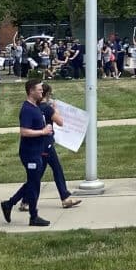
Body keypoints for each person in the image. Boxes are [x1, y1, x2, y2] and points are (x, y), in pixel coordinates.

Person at [1, 78, 53, 227]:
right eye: (39, 89)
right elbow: (24, 132)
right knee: (34, 184)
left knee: (33, 182)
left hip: (37, 151)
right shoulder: (27, 109)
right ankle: (33, 216)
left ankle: (9, 204)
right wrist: (43, 131)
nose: (42, 91)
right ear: (31, 91)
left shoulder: (35, 107)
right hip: (29, 153)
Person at [34, 82, 81, 210]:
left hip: (38, 143)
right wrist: (56, 109)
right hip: (47, 143)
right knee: (57, 170)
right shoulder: (48, 108)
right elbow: (60, 122)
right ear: (47, 94)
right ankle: (65, 198)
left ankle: (25, 200)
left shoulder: (35, 107)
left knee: (37, 174)